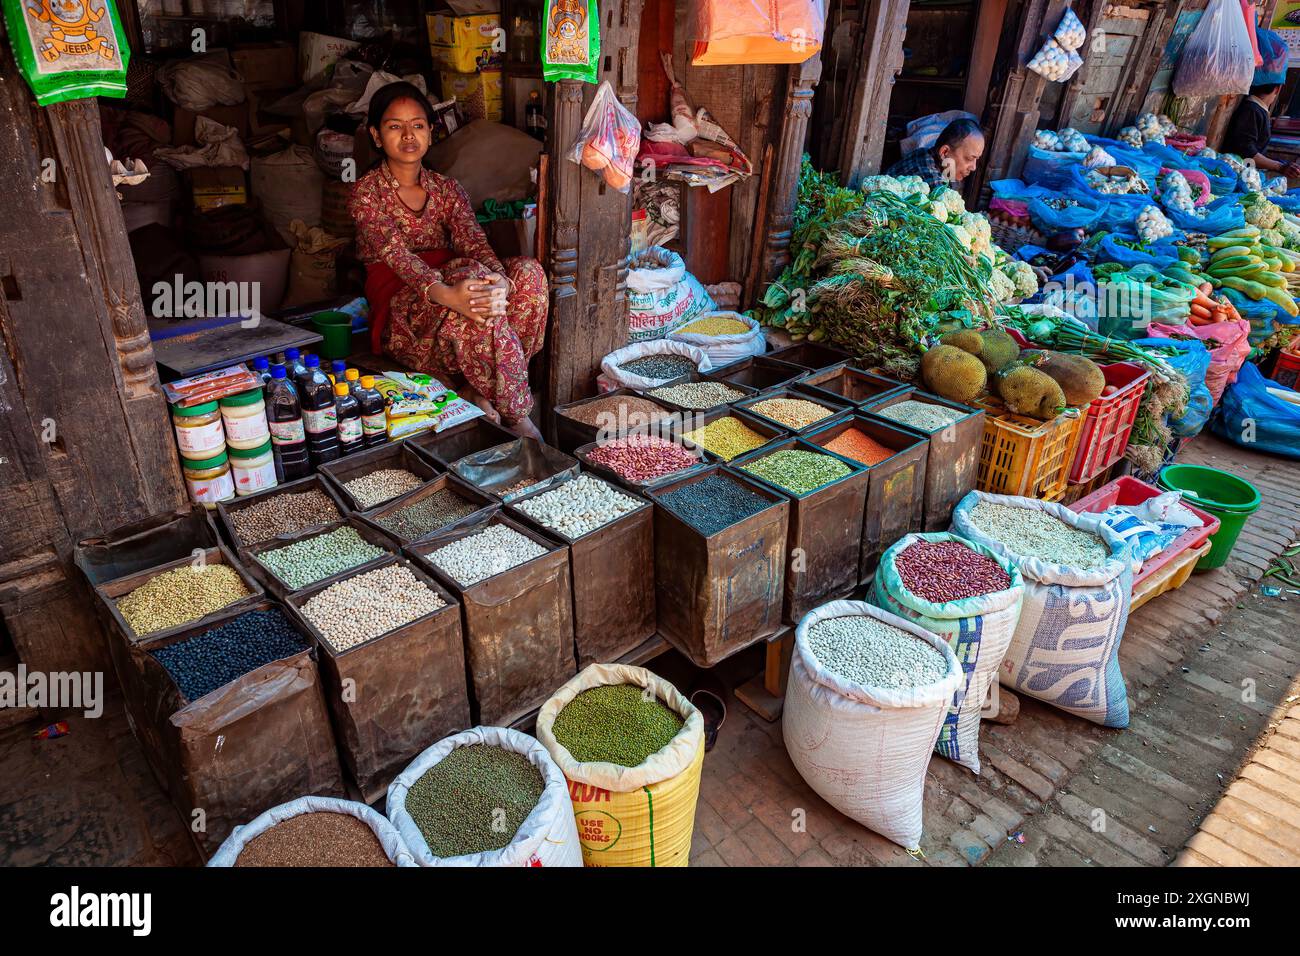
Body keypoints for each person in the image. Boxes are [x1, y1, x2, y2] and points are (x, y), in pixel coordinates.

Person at [350, 81, 548, 439]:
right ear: (377, 136)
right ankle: (516, 415)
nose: (409, 135)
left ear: (430, 132)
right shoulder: (366, 193)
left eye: (418, 125)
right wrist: (447, 293)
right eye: (395, 126)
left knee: (528, 273)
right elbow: (397, 257)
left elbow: (475, 243)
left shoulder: (446, 189)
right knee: (470, 281)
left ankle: (484, 390)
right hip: (406, 308)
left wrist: (501, 280)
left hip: (459, 292)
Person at [1223, 83, 1300, 178]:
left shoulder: (1257, 109)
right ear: (1277, 89)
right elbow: (1246, 152)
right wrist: (1280, 166)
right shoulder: (1252, 111)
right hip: (1235, 173)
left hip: (1244, 173)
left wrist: (1281, 164)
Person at [886, 118, 985, 189]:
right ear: (944, 152)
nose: (973, 167)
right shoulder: (927, 174)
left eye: (976, 159)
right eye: (969, 158)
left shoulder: (927, 154)